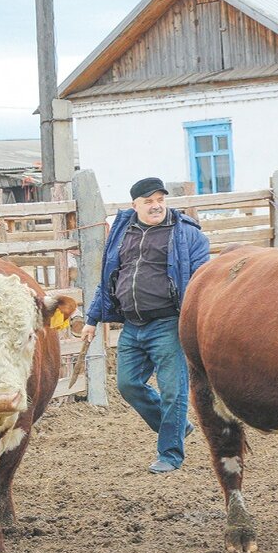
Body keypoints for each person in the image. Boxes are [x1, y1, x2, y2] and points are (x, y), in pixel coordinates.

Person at [81, 177, 210, 474]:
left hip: (167, 322)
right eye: (149, 201)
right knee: (128, 385)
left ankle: (170, 454)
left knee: (172, 391)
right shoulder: (123, 233)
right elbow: (109, 279)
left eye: (160, 200)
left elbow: (201, 280)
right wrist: (92, 318)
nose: (156, 206)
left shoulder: (186, 235)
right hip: (133, 324)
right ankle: (178, 427)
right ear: (134, 205)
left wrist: (196, 319)